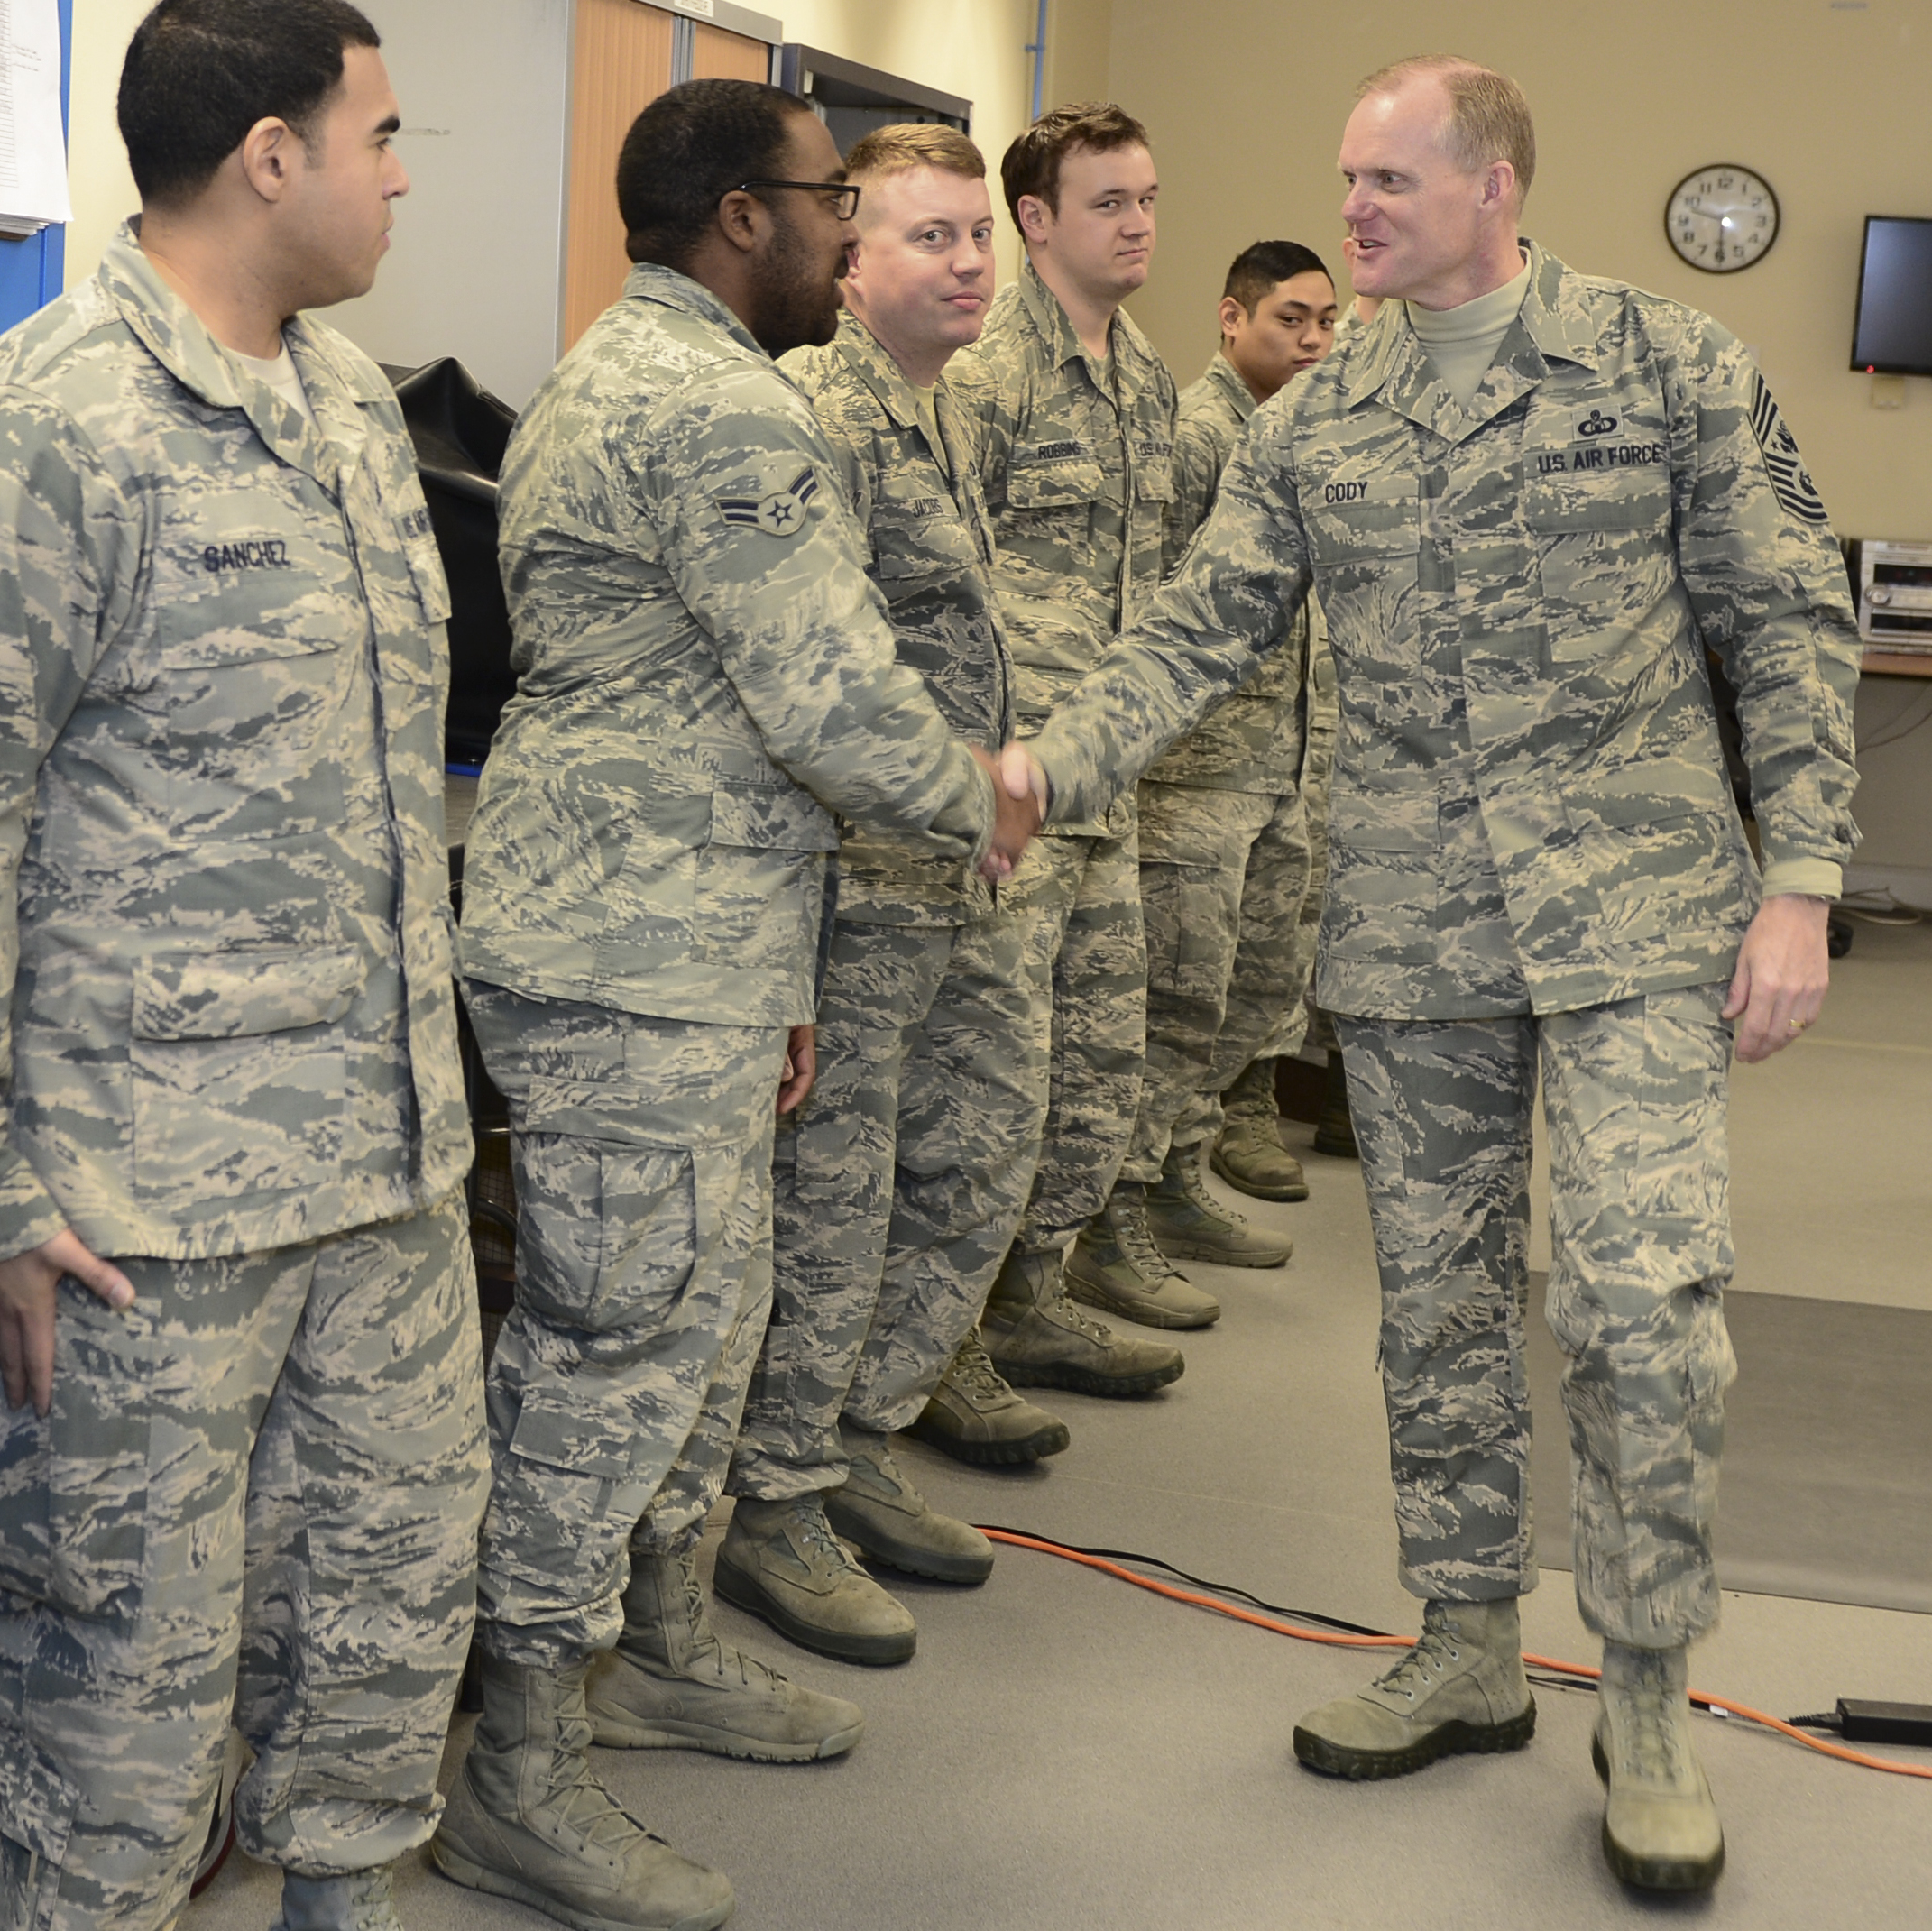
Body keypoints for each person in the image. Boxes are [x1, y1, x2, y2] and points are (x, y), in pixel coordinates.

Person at [1002, 55, 1858, 1896]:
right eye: (1345, 178)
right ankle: (1468, 1643)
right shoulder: (1321, 419)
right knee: (1440, 1313)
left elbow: (1784, 616)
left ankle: (1643, 1692)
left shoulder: (1661, 363)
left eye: (1386, 179)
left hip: (1640, 918)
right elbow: (1198, 631)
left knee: (1643, 1308)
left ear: (1492, 186)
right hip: (1414, 934)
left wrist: (1799, 880)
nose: (1354, 208)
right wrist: (1042, 769)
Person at [0, 6, 489, 1926]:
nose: (402, 171)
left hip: (383, 1188)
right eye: (379, 133)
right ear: (270, 158)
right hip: (142, 1232)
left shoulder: (356, 407)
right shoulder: (39, 433)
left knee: (376, 1679)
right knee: (111, 1771)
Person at [442, 78, 1032, 1931]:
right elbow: (831, 699)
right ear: (734, 217)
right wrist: (1002, 793)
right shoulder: (719, 408)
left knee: (700, 1319)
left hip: (688, 931)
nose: (850, 238)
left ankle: (667, 1643)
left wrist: (775, 968)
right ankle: (520, 1771)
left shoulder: (619, 365)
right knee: (614, 1357)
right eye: (828, 204)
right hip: (634, 950)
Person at [718, 124, 1045, 1669]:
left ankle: (855, 1433)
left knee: (977, 1148)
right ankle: (773, 1497)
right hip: (853, 885)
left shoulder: (943, 410)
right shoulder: (817, 414)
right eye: (929, 237)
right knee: (834, 1203)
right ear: (846, 260)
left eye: (977, 235)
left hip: (949, 879)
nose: (968, 261)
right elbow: (811, 682)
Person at [930, 101, 1194, 1430]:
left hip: (1110, 784)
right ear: (1035, 220)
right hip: (1012, 797)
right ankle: (936, 1352)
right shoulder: (987, 370)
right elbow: (931, 583)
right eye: (1108, 202)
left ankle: (1031, 1291)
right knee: (990, 1081)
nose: (1138, 222)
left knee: (1094, 1065)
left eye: (1147, 199)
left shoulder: (1144, 371)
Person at [1127, 241, 1338, 1224]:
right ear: (1231, 318)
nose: (1311, 339)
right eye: (1289, 318)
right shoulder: (1196, 431)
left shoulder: (1300, 434)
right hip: (1198, 775)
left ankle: (1180, 1176)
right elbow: (1159, 609)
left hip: (1279, 770)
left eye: (1325, 321)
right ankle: (1129, 1205)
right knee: (1178, 1005)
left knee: (1254, 995)